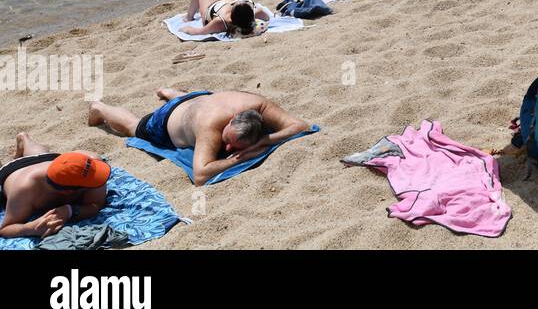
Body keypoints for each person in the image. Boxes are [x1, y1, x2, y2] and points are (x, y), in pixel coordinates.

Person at [89, 88, 311, 187]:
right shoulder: (211, 127)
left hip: (201, 97)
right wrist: (238, 158)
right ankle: (100, 107)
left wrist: (265, 141)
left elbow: (301, 126)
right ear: (232, 120)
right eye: (228, 140)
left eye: (234, 146)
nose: (226, 146)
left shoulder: (258, 105)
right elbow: (201, 176)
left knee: (193, 104)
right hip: (168, 120)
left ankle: (172, 94)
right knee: (133, 127)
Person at [0, 139, 110, 239]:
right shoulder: (24, 191)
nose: (101, 181)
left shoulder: (92, 163)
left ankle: (26, 140)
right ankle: (23, 139)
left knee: (39, 154)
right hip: (14, 171)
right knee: (34, 157)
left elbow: (96, 204)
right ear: (68, 192)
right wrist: (30, 228)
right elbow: (5, 229)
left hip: (54, 162)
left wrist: (69, 211)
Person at [179, 0, 272, 38]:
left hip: (212, 9)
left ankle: (189, 17)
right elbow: (267, 17)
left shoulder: (220, 22)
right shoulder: (257, 13)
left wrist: (186, 28)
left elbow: (199, 32)